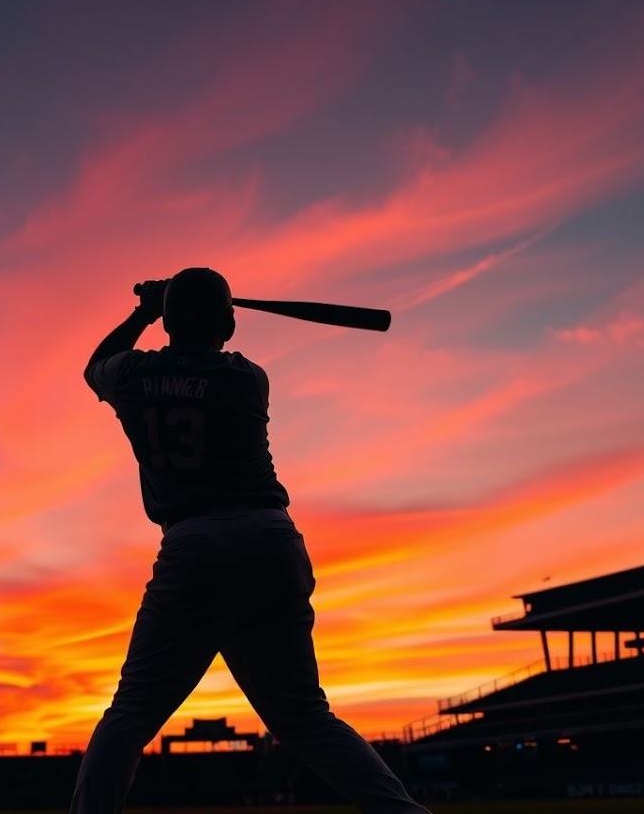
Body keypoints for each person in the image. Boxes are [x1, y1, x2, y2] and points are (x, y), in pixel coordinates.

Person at [73, 267, 431, 814]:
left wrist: (143, 312)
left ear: (168, 321)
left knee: (130, 716)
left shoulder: (131, 376)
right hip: (268, 539)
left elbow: (93, 366)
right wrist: (180, 306)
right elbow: (205, 349)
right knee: (307, 721)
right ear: (228, 323)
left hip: (191, 544)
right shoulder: (247, 379)